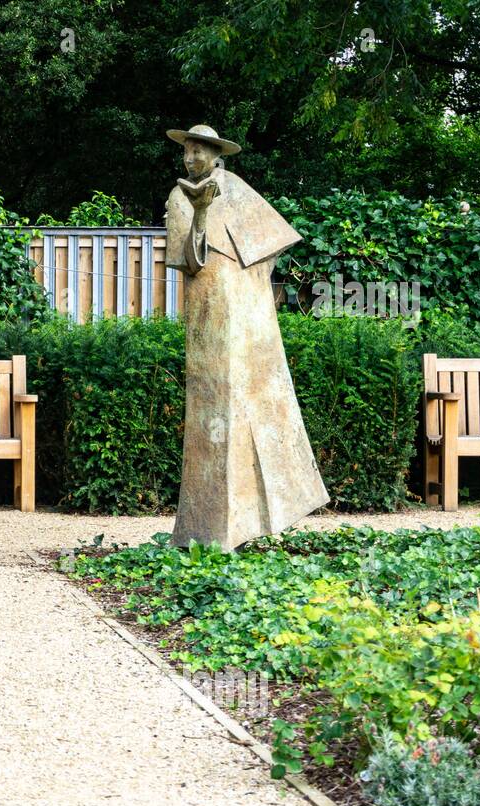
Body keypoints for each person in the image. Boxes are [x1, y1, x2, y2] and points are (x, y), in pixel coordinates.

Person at [163, 124, 328, 550]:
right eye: (187, 151)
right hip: (207, 311)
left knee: (255, 395)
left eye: (198, 151)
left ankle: (250, 518)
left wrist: (252, 284)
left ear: (217, 154)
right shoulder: (179, 196)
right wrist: (200, 213)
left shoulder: (235, 189)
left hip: (246, 309)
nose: (190, 158)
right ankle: (210, 525)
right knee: (214, 407)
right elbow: (188, 261)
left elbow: (270, 243)